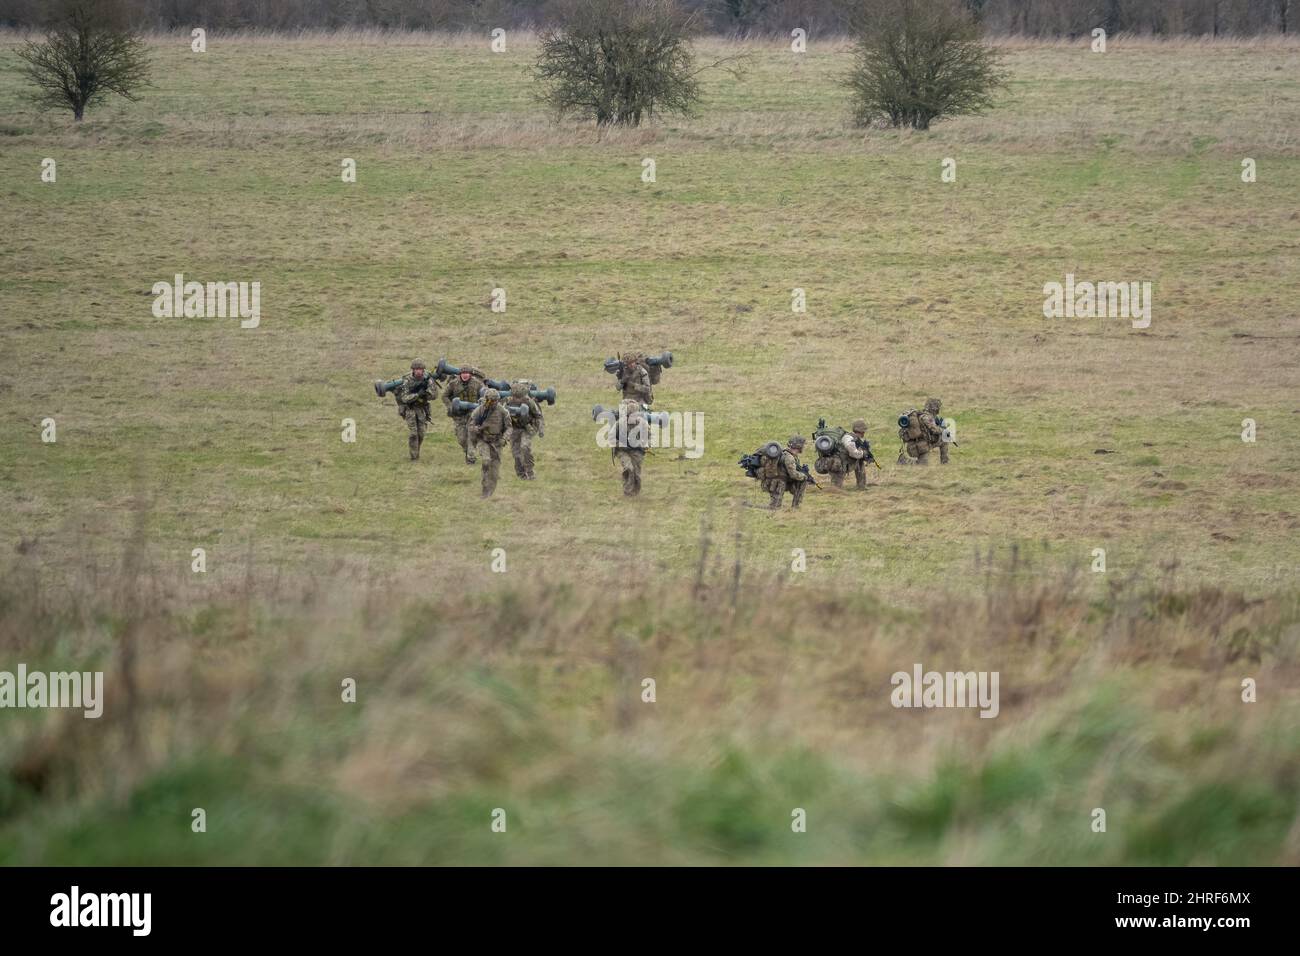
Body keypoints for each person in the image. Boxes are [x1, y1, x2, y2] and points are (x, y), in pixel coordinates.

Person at [468, 388, 510, 498]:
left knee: (495, 472)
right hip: (483, 440)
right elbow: (471, 425)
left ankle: (491, 492)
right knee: (486, 461)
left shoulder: (503, 412)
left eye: (495, 400)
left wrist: (504, 439)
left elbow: (509, 428)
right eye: (490, 400)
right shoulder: (479, 411)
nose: (492, 403)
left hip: (497, 443)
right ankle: (485, 490)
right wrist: (476, 429)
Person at [394, 359, 437, 461]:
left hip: (422, 410)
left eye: (420, 369)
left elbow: (434, 396)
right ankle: (414, 457)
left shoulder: (428, 380)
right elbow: (404, 398)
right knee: (413, 433)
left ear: (423, 370)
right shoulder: (406, 381)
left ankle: (416, 450)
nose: (418, 371)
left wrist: (426, 393)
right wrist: (417, 395)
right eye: (416, 369)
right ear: (412, 370)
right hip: (410, 410)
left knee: (421, 433)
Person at [442, 365, 486, 464]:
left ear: (470, 374)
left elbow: (484, 396)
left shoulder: (477, 383)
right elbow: (445, 396)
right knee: (462, 438)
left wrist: (481, 405)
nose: (465, 375)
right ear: (460, 374)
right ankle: (467, 451)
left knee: (471, 435)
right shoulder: (453, 383)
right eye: (463, 373)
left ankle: (471, 458)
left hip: (472, 414)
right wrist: (450, 406)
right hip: (459, 415)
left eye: (467, 373)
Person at [507, 380, 544, 480]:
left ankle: (530, 473)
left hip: (528, 427)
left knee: (525, 447)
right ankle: (521, 474)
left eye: (520, 397)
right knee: (516, 453)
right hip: (514, 428)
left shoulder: (529, 402)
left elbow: (538, 416)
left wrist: (540, 429)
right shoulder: (507, 401)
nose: (518, 399)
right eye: (516, 397)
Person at [762, 435, 809, 510]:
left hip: (771, 482)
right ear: (799, 447)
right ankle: (795, 506)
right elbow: (793, 474)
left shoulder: (783, 453)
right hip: (778, 484)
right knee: (775, 508)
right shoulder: (789, 457)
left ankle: (795, 507)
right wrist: (803, 476)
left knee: (774, 506)